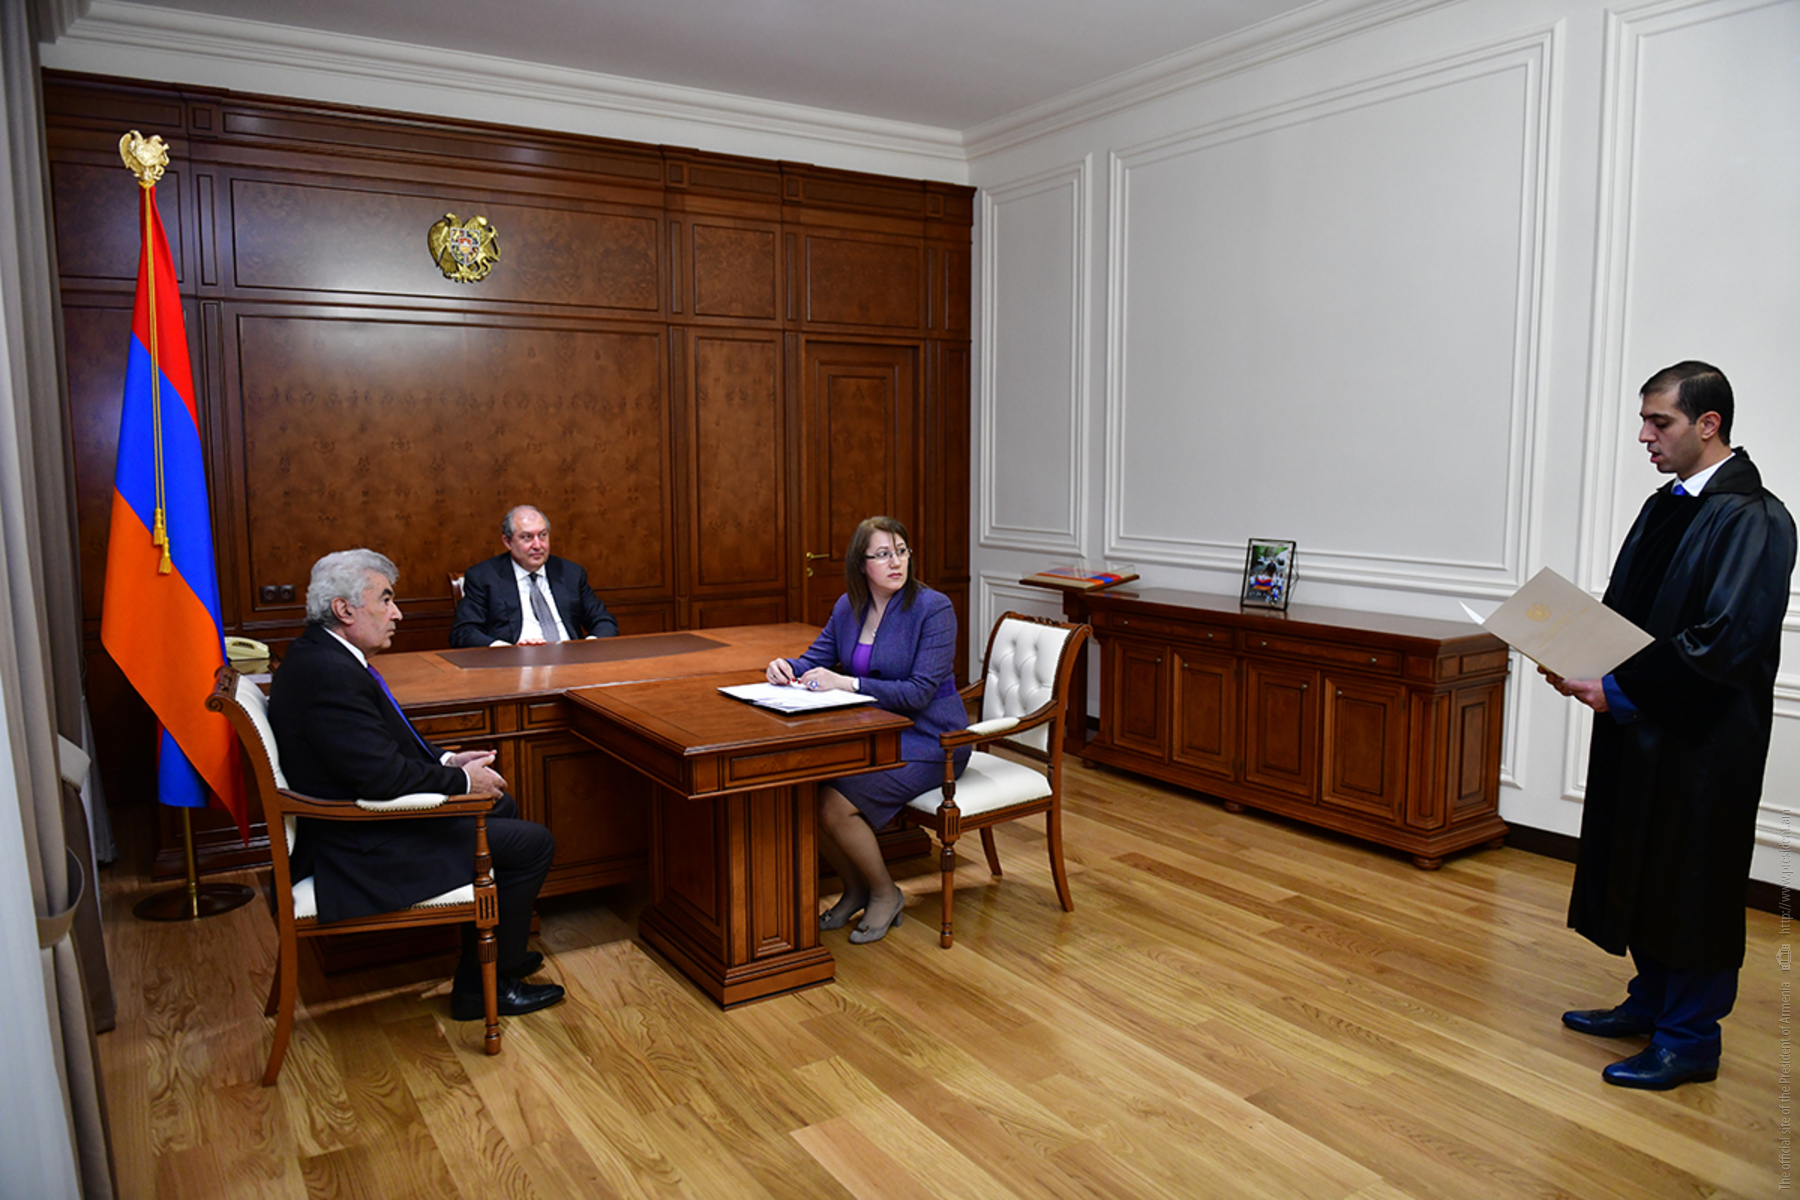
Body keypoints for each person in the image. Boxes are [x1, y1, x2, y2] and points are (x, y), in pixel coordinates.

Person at [1542, 361, 1794, 1090]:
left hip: (1704, 739)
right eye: (1644, 421)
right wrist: (1575, 654)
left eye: (1661, 422)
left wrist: (1619, 688)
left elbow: (1725, 640)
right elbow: (1626, 610)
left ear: (1708, 424)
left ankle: (1689, 1039)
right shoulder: (1666, 506)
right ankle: (1651, 1001)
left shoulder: (1756, 518)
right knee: (1643, 864)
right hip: (1645, 726)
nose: (1645, 436)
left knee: (1691, 880)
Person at [271, 549, 564, 1019]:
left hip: (356, 824)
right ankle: (486, 986)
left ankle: (495, 958)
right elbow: (381, 776)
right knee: (533, 844)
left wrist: (447, 760)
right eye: (386, 600)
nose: (398, 614)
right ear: (344, 609)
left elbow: (379, 744)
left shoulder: (321, 654)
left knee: (501, 808)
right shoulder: (329, 673)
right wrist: (461, 780)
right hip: (356, 847)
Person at [767, 516, 970, 944]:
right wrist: (785, 667)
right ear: (861, 564)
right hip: (876, 734)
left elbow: (918, 693)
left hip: (933, 740)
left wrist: (849, 684)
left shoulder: (933, 608)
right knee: (808, 791)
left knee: (832, 805)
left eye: (901, 551)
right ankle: (855, 888)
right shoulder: (849, 606)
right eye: (882, 554)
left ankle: (884, 892)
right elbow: (815, 659)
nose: (895, 562)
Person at [450, 505, 619, 647]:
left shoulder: (570, 573)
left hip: (572, 662)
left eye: (543, 535)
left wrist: (588, 647)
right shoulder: (484, 577)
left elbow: (605, 622)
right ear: (507, 542)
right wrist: (505, 650)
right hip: (515, 665)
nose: (538, 545)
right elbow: (464, 632)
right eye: (527, 537)